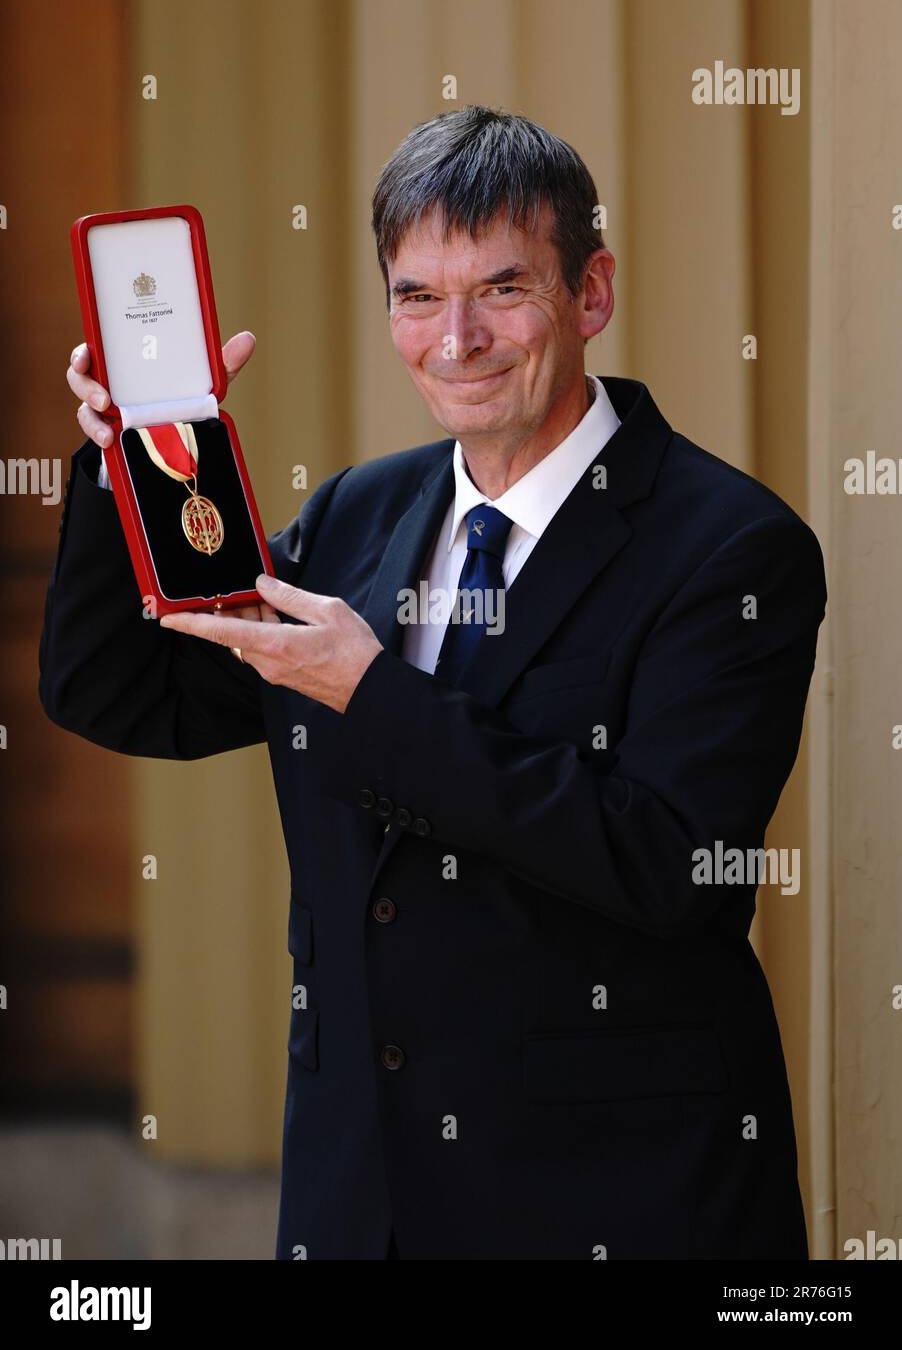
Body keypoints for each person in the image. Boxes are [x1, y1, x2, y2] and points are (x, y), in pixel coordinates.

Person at [40, 105, 826, 1260]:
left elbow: (668, 868)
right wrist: (138, 458)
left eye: (502, 289)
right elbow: (126, 693)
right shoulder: (362, 509)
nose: (455, 339)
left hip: (612, 1197)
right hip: (362, 1194)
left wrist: (375, 697)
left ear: (590, 293)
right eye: (416, 296)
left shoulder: (732, 549)